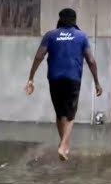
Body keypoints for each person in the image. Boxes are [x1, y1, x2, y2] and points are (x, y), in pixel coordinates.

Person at [24, 8, 102, 160]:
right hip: (72, 79)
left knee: (60, 114)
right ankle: (63, 145)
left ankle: (63, 144)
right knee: (70, 115)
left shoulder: (50, 35)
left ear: (60, 19)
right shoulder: (81, 36)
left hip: (54, 79)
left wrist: (31, 78)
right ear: (74, 20)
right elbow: (91, 60)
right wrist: (97, 82)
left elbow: (39, 56)